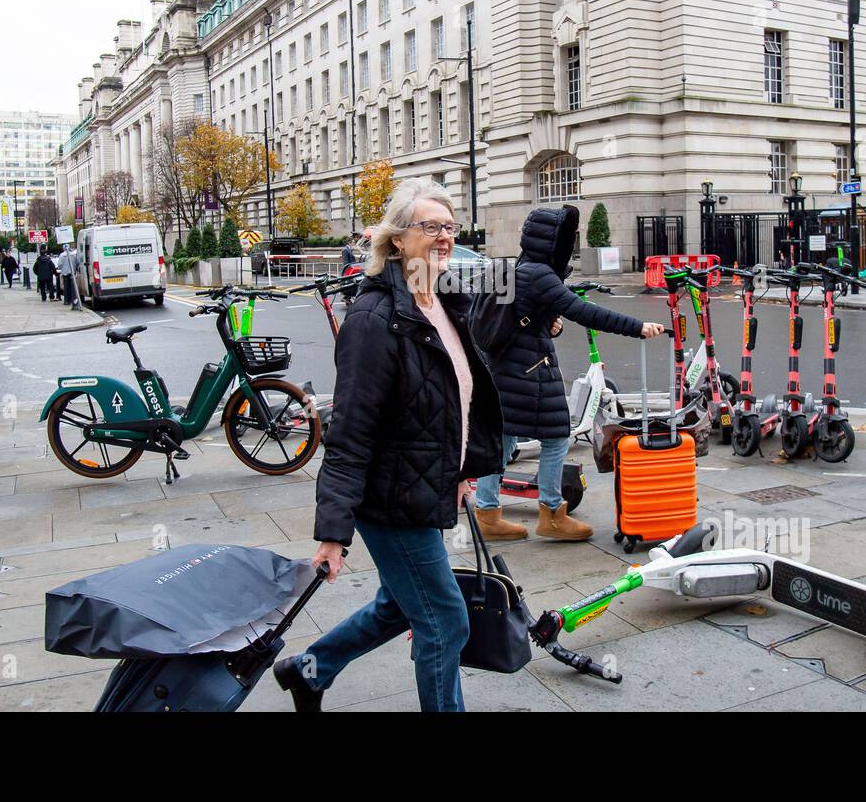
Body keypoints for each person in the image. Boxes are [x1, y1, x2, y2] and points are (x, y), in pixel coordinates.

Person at [272, 178, 504, 713]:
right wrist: (334, 532)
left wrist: (462, 470)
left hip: (428, 485)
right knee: (445, 619)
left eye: (450, 227)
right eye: (430, 227)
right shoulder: (374, 319)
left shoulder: (446, 303)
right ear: (396, 240)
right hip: (389, 499)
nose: (444, 237)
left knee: (400, 605)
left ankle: (310, 670)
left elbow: (453, 403)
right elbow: (351, 432)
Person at [473, 205, 666, 543]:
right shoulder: (540, 275)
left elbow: (526, 320)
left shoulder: (521, 268)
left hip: (506, 367)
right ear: (552, 241)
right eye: (566, 238)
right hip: (529, 371)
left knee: (503, 440)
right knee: (557, 436)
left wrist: (550, 325)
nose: (569, 245)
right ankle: (551, 514)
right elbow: (585, 312)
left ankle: (487, 514)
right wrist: (638, 327)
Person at [57, 244, 80, 309]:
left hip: (65, 273)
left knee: (66, 288)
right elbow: (77, 263)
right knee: (73, 288)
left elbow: (59, 265)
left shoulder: (62, 255)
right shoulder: (73, 254)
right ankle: (73, 300)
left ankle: (66, 301)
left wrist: (63, 268)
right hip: (72, 273)